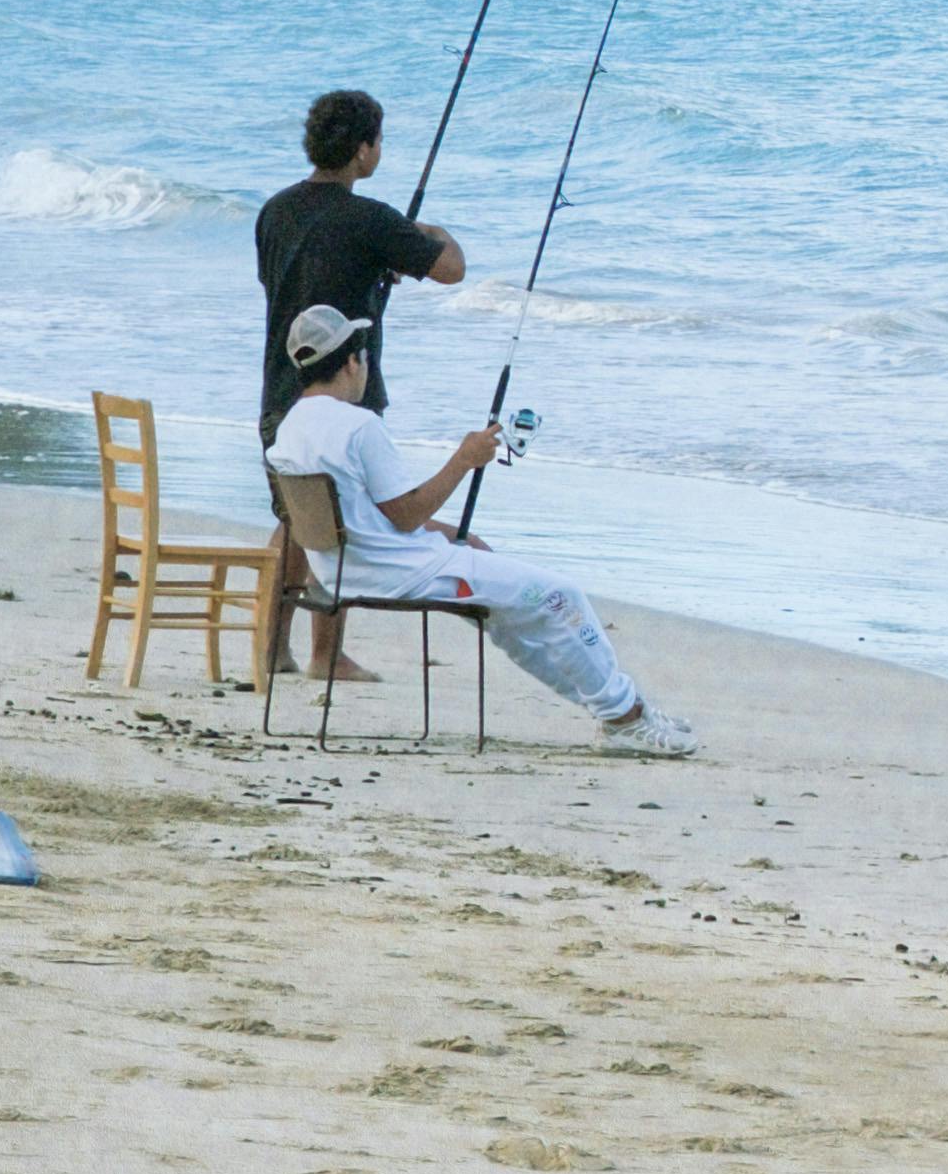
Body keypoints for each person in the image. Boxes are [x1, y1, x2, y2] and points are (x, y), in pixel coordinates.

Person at [263, 305, 695, 754]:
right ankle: (623, 716)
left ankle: (622, 710)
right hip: (401, 573)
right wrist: (464, 460)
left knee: (510, 617)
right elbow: (405, 516)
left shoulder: (291, 427)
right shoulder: (360, 426)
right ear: (353, 362)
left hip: (343, 571)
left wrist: (450, 534)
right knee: (561, 596)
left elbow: (356, 516)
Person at [256, 88, 463, 678]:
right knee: (338, 526)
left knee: (296, 516)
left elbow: (304, 275)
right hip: (346, 392)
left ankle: (273, 647)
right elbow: (451, 269)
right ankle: (326, 655)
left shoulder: (275, 211)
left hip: (281, 390)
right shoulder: (372, 219)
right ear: (363, 150)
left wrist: (375, 259)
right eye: (379, 141)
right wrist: (427, 230)